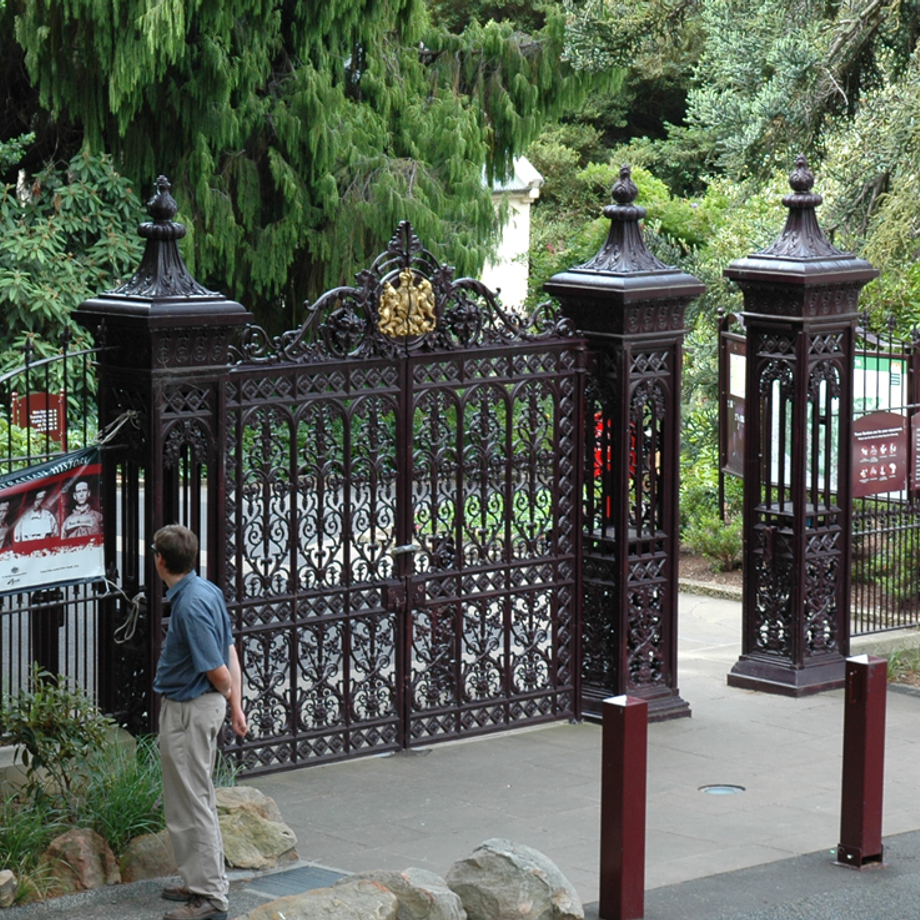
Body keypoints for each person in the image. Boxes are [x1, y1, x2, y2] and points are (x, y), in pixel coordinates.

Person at [151, 524, 247, 920]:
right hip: (199, 708)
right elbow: (231, 649)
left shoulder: (190, 605)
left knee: (191, 804)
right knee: (194, 799)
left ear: (160, 559)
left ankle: (209, 898)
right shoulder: (206, 590)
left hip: (190, 710)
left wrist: (229, 694)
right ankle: (199, 882)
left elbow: (219, 670)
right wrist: (237, 707)